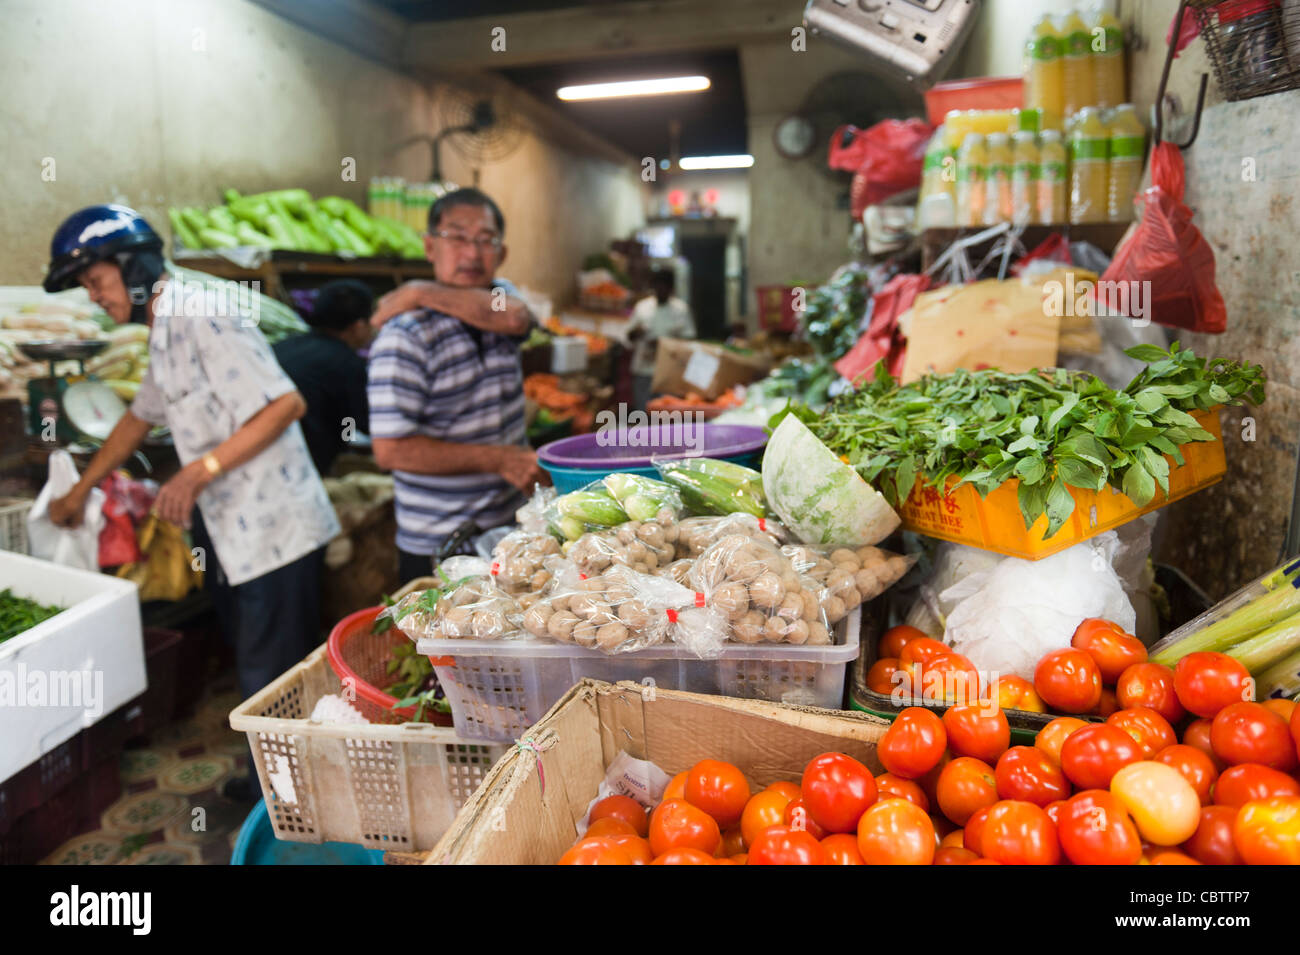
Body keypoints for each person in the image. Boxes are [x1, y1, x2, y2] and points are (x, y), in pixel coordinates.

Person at [44, 205, 339, 799]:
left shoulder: (201, 312)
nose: (94, 297)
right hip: (234, 530)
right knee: (257, 669)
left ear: (131, 267)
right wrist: (82, 488)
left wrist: (197, 472)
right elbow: (138, 417)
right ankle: (276, 790)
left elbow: (285, 406)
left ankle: (290, 805)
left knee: (271, 672)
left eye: (95, 282)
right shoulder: (165, 324)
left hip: (274, 531)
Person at [366, 187, 546, 583]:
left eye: (485, 240)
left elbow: (516, 319)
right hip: (441, 540)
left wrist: (418, 291)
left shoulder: (500, 299)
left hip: (511, 523)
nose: (471, 253)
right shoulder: (405, 336)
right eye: (457, 237)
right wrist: (499, 459)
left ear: (501, 254)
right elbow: (390, 450)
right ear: (429, 247)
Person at [272, 279, 373, 476]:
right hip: (298, 465)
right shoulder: (348, 363)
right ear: (359, 326)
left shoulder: (282, 346)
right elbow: (360, 423)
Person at [626, 268, 695, 411]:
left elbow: (689, 340)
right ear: (653, 287)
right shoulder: (642, 307)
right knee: (642, 412)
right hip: (644, 368)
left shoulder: (681, 310)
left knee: (667, 414)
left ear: (671, 289)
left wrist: (664, 345)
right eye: (658, 286)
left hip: (669, 371)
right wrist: (636, 333)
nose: (661, 290)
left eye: (665, 287)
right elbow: (628, 336)